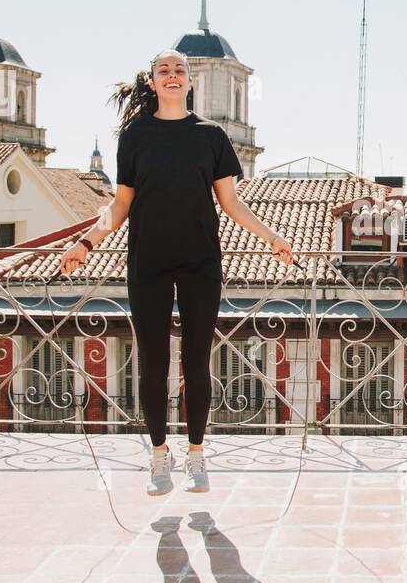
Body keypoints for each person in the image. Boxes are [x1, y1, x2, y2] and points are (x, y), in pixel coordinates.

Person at [60, 50, 293, 495]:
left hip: (201, 262)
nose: (172, 75)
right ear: (152, 82)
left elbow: (230, 203)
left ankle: (197, 455)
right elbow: (121, 203)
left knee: (196, 361)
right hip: (147, 261)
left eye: (179, 70)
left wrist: (272, 237)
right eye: (164, 70)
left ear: (190, 82)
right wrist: (86, 242)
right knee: (153, 363)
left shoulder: (211, 136)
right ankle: (158, 456)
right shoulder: (135, 135)